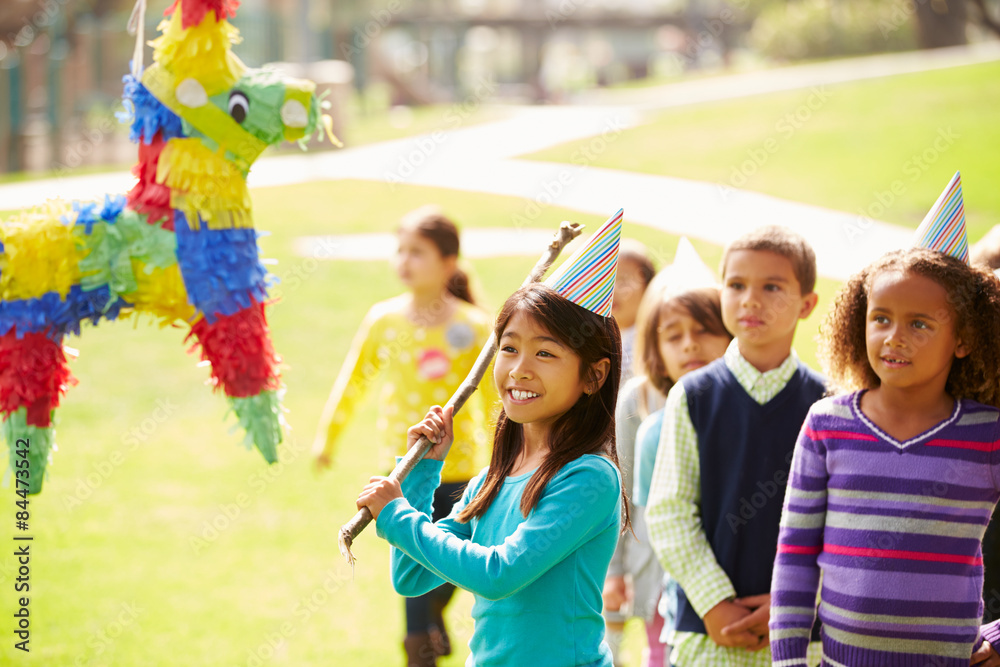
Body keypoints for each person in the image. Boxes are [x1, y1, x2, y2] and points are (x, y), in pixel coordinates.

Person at [356, 282, 628, 666]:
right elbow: (412, 577)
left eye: (545, 353)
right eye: (510, 348)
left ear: (594, 376)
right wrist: (421, 473)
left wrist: (395, 516)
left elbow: (497, 575)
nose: (520, 370)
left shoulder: (589, 477)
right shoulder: (489, 481)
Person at [769, 244, 1000, 665]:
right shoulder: (826, 424)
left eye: (920, 324)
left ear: (963, 339)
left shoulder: (988, 434)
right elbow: (795, 552)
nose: (894, 337)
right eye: (881, 318)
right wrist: (788, 660)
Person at [313, 206, 497, 665]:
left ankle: (429, 629)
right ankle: (422, 646)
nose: (405, 260)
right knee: (412, 564)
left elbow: (496, 403)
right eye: (400, 251)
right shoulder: (384, 320)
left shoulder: (474, 327)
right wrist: (327, 438)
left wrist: (503, 460)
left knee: (452, 561)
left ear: (449, 262)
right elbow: (353, 381)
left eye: (418, 252)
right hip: (399, 474)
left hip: (462, 472)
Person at [645, 225, 825, 666]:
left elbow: (843, 524)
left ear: (806, 304)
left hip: (807, 636)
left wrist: (795, 602)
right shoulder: (692, 396)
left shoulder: (829, 403)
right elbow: (669, 512)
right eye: (737, 285)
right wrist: (715, 602)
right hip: (709, 635)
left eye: (772, 287)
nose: (750, 300)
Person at [604, 242, 731, 667]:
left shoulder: (743, 405)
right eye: (673, 335)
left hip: (730, 572)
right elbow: (620, 491)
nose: (690, 346)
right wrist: (614, 569)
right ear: (654, 344)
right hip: (655, 569)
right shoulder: (638, 403)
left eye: (705, 330)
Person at [612, 240, 656, 386]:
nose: (614, 290)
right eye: (608, 282)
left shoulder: (648, 339)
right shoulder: (603, 336)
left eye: (623, 281)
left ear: (648, 287)